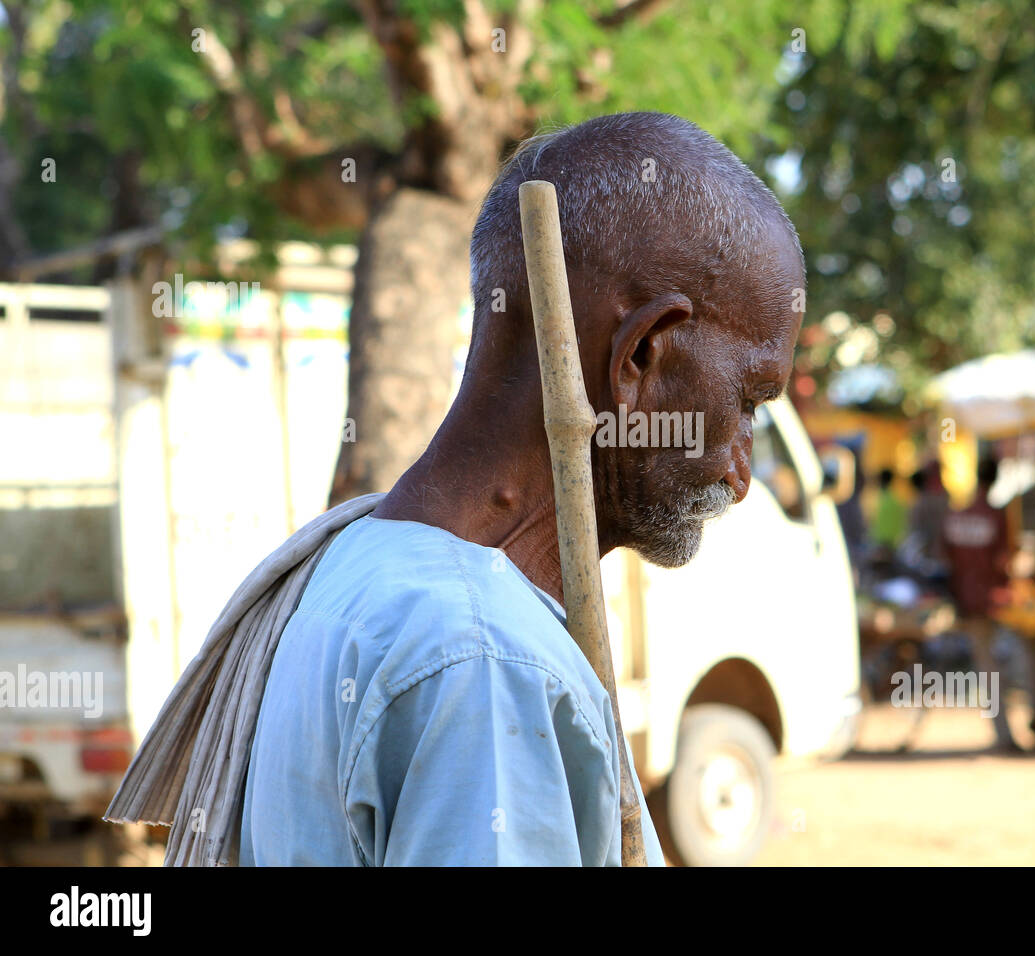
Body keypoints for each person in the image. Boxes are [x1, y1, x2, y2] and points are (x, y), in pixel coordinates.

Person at [236, 112, 806, 865]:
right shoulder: (487, 663)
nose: (739, 473)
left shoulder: (352, 568)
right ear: (639, 357)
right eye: (748, 403)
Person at [940, 456, 1016, 750]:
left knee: (989, 669)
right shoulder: (998, 517)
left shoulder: (956, 515)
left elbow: (945, 556)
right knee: (1017, 664)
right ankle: (1019, 732)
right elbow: (1005, 561)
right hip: (999, 603)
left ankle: (1005, 734)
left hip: (969, 602)